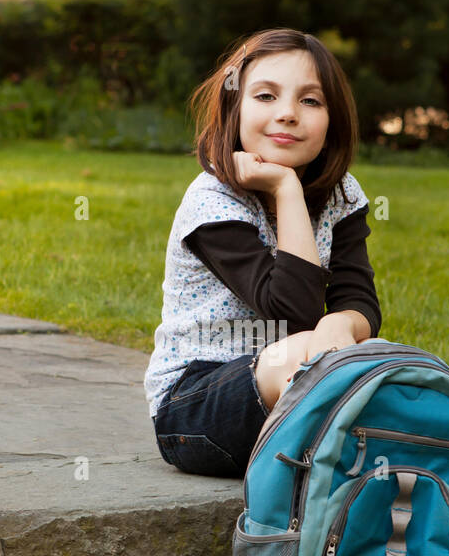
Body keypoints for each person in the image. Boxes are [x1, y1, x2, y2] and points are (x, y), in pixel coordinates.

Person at [144, 27, 382, 478]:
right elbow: (292, 310)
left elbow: (359, 300)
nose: (288, 114)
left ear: (333, 122)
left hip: (301, 372)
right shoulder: (213, 199)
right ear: (234, 108)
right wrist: (284, 187)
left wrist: (338, 324)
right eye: (266, 96)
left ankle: (344, 443)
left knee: (378, 352)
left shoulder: (343, 196)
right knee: (313, 356)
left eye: (310, 101)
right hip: (194, 407)